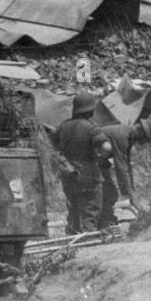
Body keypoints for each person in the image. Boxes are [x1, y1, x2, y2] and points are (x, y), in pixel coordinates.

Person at [53, 93, 111, 235]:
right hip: (87, 172)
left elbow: (54, 146)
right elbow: (107, 147)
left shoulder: (63, 126)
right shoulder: (92, 127)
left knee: (73, 206)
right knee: (90, 207)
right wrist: (101, 158)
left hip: (67, 171)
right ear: (90, 110)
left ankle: (72, 237)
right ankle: (89, 237)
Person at [97, 117, 151, 228]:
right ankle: (101, 227)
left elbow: (127, 166)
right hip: (86, 162)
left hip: (96, 163)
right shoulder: (122, 136)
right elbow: (121, 168)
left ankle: (103, 225)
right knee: (108, 194)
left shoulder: (127, 135)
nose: (146, 142)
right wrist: (130, 195)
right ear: (143, 132)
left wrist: (132, 191)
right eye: (147, 139)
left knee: (108, 193)